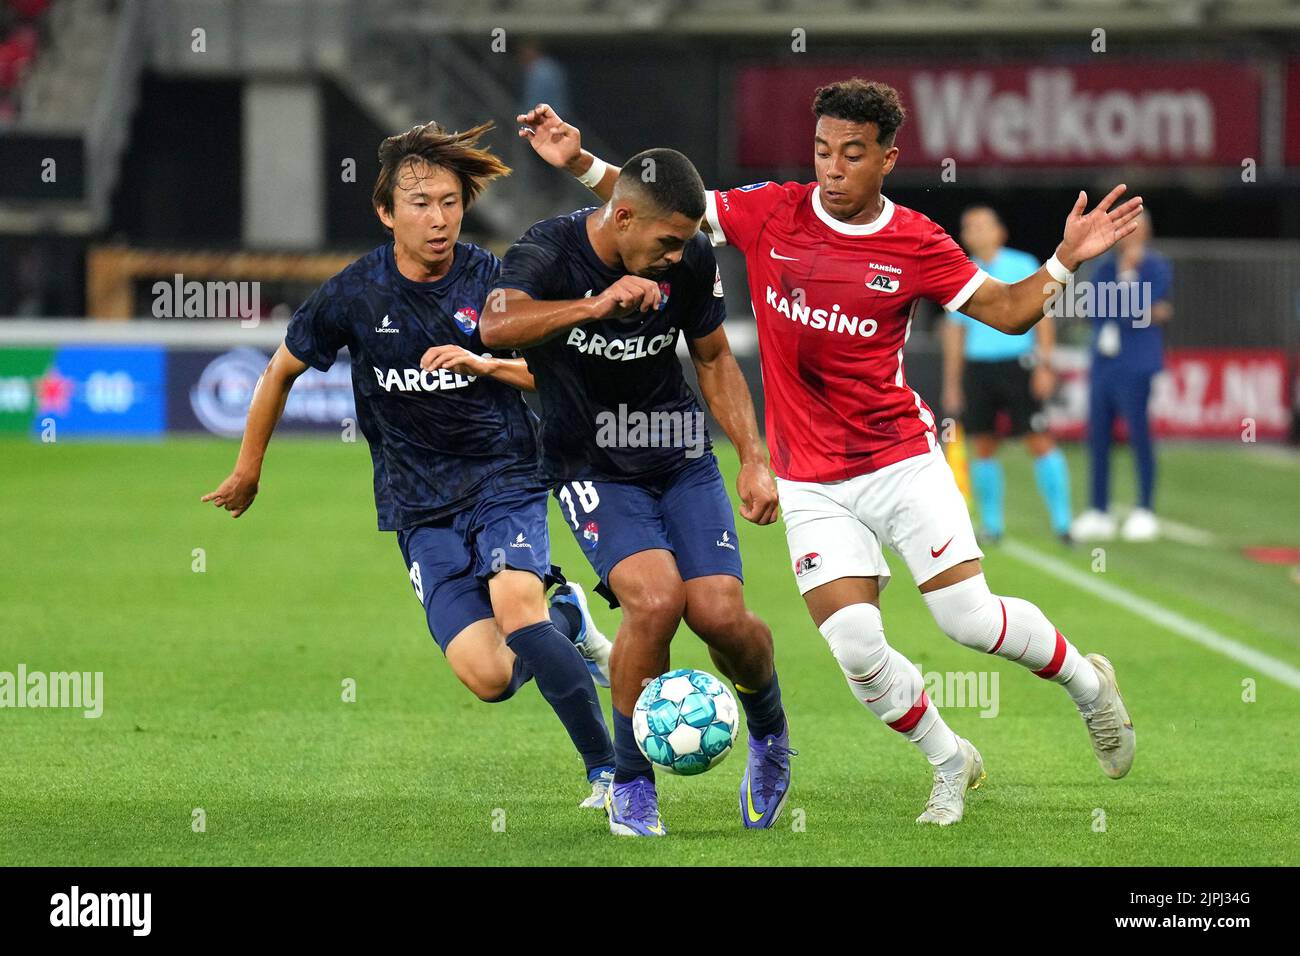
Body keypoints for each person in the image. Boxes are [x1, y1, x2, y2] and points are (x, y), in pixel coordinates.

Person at [520, 78, 1139, 827]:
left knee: (966, 620)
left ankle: (1086, 684)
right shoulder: (771, 211)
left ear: (888, 158)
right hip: (810, 479)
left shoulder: (914, 240)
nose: (833, 168)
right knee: (853, 642)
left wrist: (1065, 262)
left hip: (901, 459)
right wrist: (578, 158)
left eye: (852, 154)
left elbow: (1007, 312)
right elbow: (657, 203)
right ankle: (950, 761)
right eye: (822, 151)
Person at [202, 120, 618, 811]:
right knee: (488, 677)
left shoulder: (495, 282)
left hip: (505, 476)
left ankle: (610, 773)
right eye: (421, 204)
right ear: (386, 212)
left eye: (451, 202)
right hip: (419, 505)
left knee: (517, 611)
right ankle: (569, 623)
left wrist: (486, 362)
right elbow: (279, 370)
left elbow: (561, 380)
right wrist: (250, 469)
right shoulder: (357, 294)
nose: (439, 218)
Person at [479, 148, 792, 837]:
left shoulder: (692, 261)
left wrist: (753, 457)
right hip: (591, 466)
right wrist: (595, 303)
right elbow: (494, 326)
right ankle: (631, 781)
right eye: (667, 242)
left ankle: (770, 735)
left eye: (687, 242)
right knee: (655, 603)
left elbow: (712, 358)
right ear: (622, 216)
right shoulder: (548, 250)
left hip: (680, 456)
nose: (678, 256)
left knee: (719, 615)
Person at [941, 204, 1073, 545]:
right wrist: (953, 383)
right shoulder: (962, 271)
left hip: (1018, 364)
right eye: (970, 226)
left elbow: (1043, 315)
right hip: (979, 368)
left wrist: (1045, 364)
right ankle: (992, 526)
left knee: (1038, 439)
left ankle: (1063, 523)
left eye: (983, 225)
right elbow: (956, 333)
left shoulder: (1024, 265)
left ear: (1000, 231)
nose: (976, 232)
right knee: (982, 445)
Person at [1071, 211, 1173, 542]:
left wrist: (1130, 292)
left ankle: (1144, 508)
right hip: (1103, 363)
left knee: (1138, 434)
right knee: (1097, 437)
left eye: (1135, 229)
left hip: (1136, 363)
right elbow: (1092, 308)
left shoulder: (1155, 267)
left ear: (1147, 233)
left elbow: (1139, 310)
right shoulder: (1102, 268)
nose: (1127, 236)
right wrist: (1141, 308)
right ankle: (1098, 509)